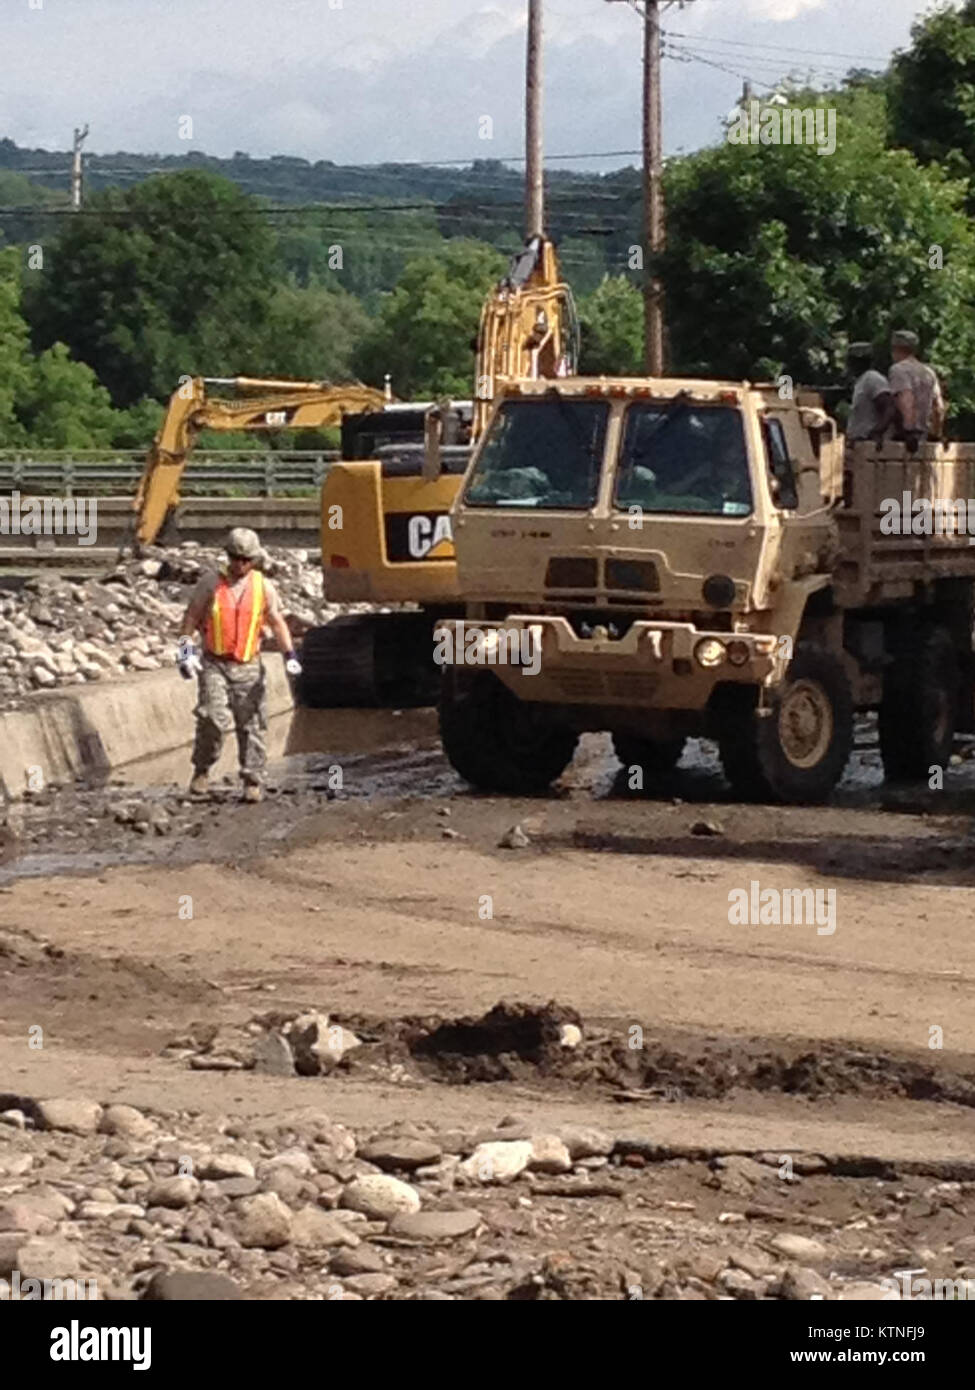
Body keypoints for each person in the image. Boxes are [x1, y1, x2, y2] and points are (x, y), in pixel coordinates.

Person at [177, 528, 301, 803]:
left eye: (246, 559)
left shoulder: (262, 587)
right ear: (228, 556)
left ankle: (252, 779)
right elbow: (191, 618)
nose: (241, 565)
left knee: (252, 724)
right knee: (212, 718)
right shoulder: (211, 584)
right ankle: (202, 770)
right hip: (215, 664)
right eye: (236, 558)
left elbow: (277, 622)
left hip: (249, 665)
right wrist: (185, 653)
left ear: (254, 560)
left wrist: (289, 655)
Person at [887, 329, 944, 450]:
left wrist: (909, 430)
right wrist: (937, 434)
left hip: (905, 440)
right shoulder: (928, 372)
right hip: (924, 437)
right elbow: (938, 407)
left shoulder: (898, 370)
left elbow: (906, 399)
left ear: (896, 348)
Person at [845, 343, 891, 442]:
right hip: (858, 441)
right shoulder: (860, 381)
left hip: (868, 442)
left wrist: (878, 431)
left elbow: (889, 407)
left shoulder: (872, 378)